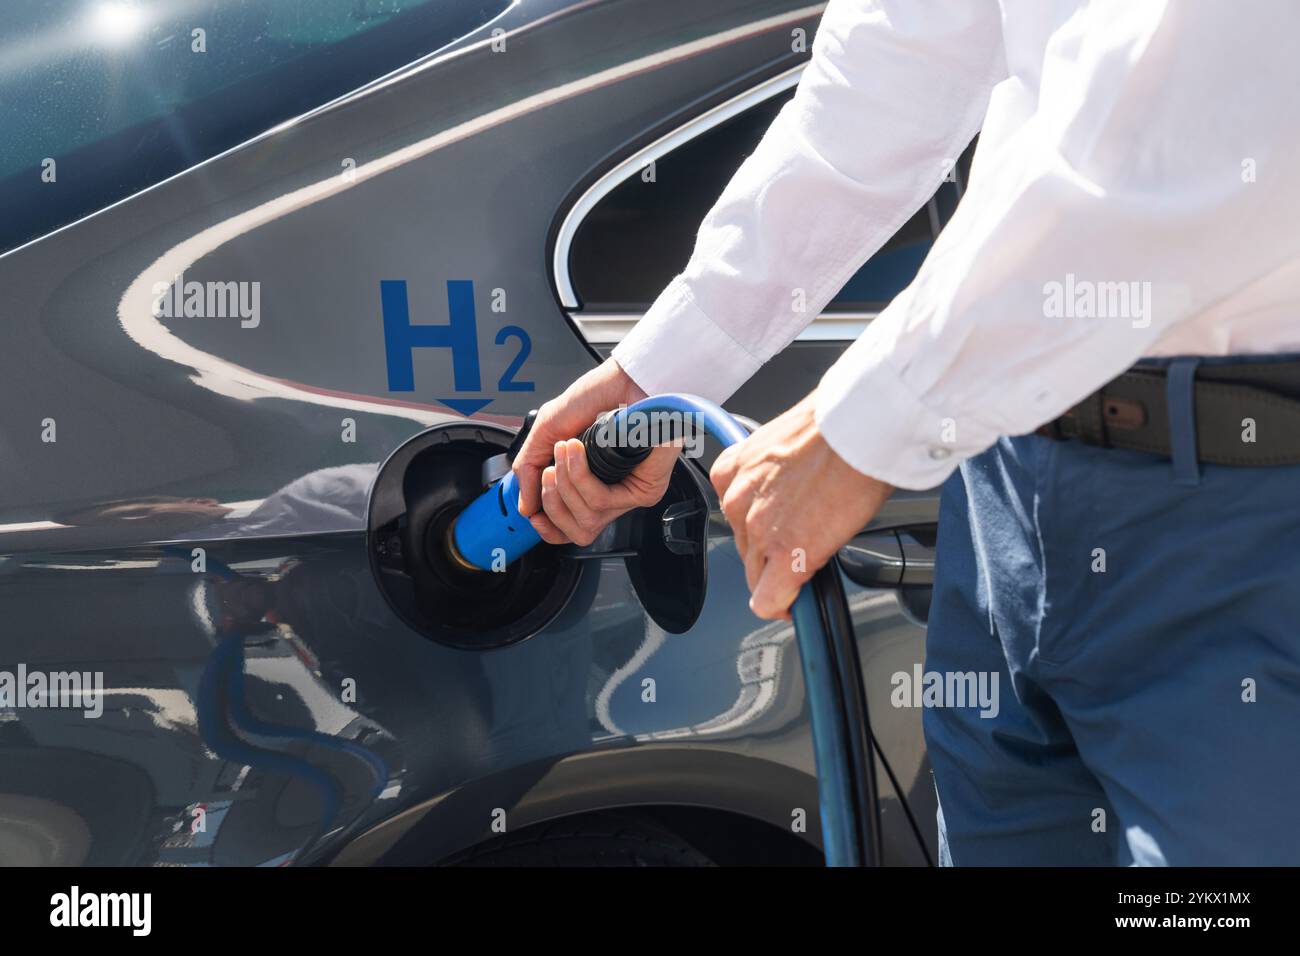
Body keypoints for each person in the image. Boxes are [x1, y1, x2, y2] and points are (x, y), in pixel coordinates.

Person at [512, 0, 1300, 865]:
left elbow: (1188, 112)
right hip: (1005, 495)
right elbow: (893, 63)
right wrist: (661, 371)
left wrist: (859, 423)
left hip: (1247, 515)